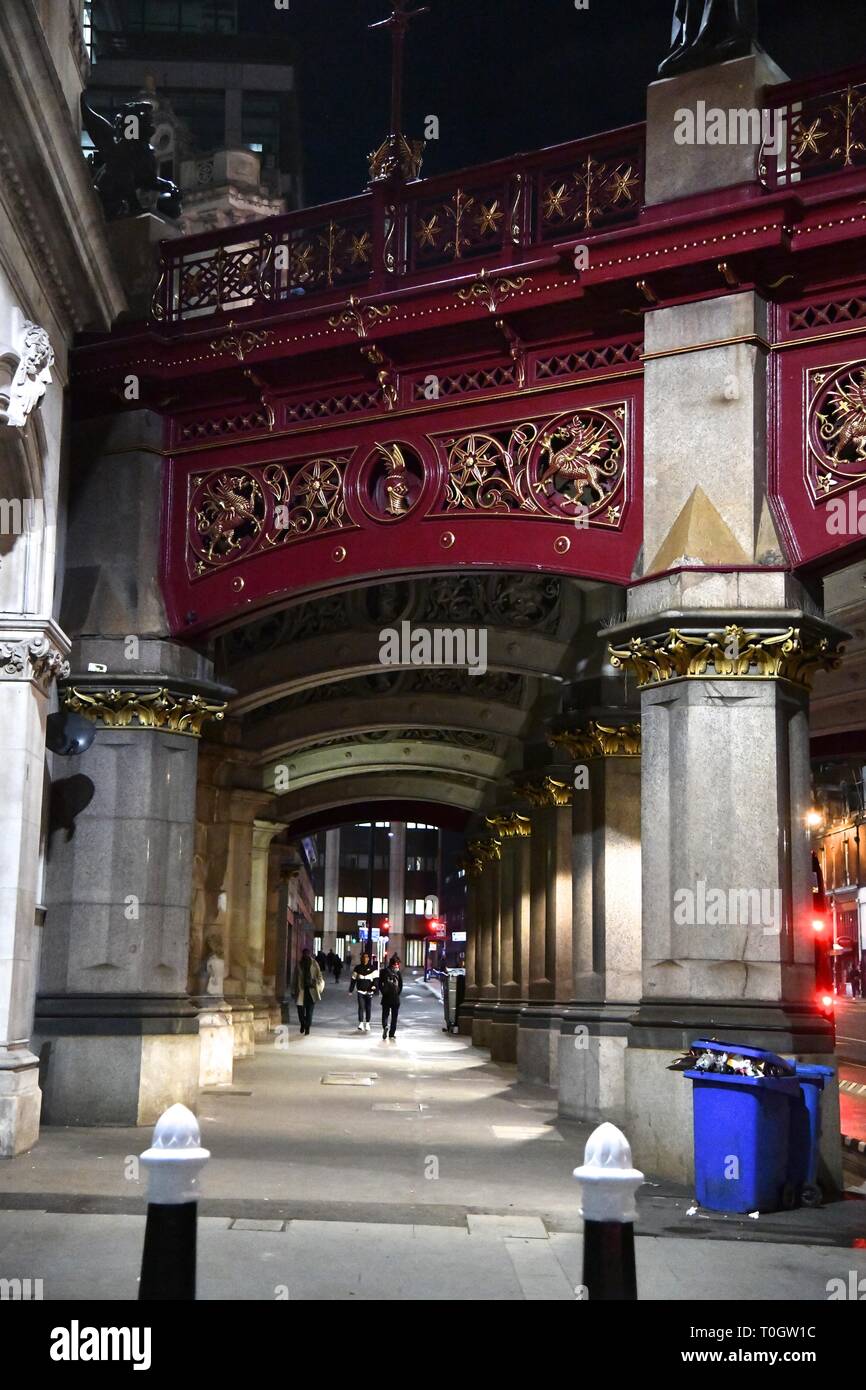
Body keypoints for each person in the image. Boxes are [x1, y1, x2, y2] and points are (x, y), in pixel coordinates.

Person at [290, 948, 324, 1035]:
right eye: (304, 954)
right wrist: (293, 990)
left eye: (307, 954)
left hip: (311, 990)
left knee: (309, 1011)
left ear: (309, 954)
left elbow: (320, 976)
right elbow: (294, 978)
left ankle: (307, 1027)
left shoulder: (314, 964)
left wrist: (315, 981)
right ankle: (302, 1023)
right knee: (300, 1010)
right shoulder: (299, 965)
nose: (306, 955)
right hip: (301, 990)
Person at [349, 951, 378, 1032]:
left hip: (369, 991)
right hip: (360, 991)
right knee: (361, 1007)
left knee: (368, 1007)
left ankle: (367, 1023)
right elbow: (353, 979)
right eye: (363, 957)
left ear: (368, 959)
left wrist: (374, 987)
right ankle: (361, 1023)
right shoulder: (357, 968)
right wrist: (351, 990)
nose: (365, 959)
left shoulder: (373, 968)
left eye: (366, 957)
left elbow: (376, 980)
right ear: (361, 959)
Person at [380, 954, 403, 1040]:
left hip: (386, 997)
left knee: (385, 1014)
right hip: (395, 998)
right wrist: (397, 994)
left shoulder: (383, 971)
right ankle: (392, 1034)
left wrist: (383, 992)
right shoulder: (398, 973)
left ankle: (385, 1026)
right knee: (394, 1017)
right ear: (396, 964)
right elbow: (401, 985)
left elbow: (380, 984)